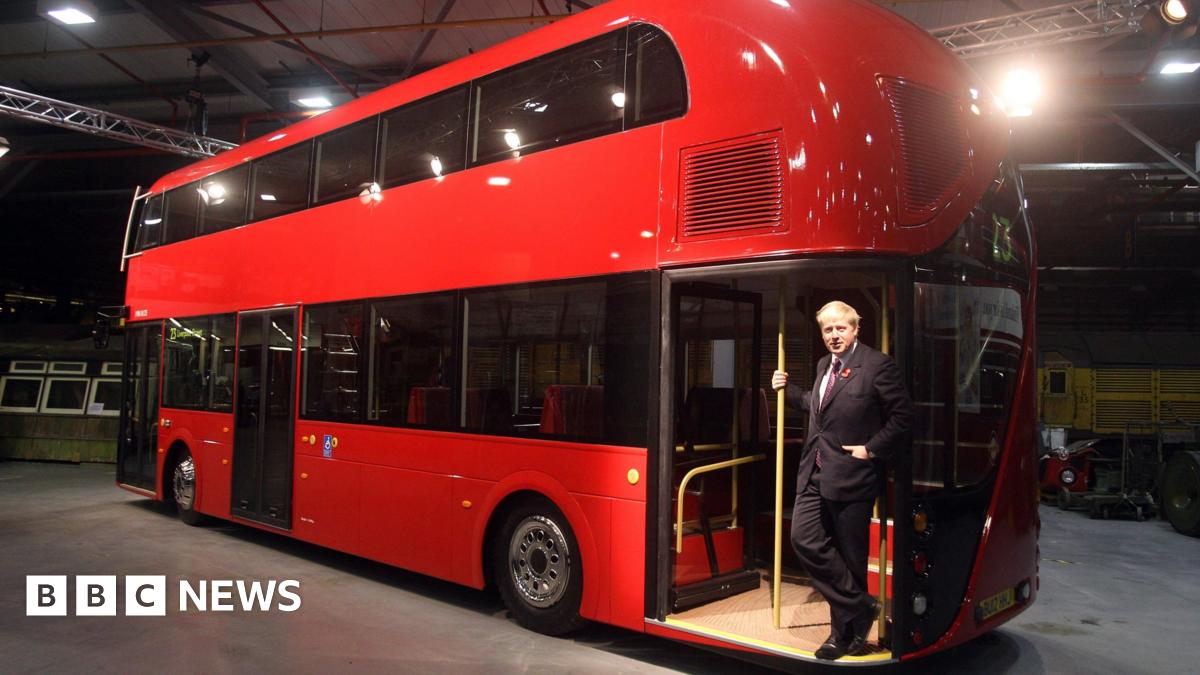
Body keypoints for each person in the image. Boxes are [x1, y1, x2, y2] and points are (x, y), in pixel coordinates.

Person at [772, 300, 911, 660]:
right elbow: (819, 407)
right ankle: (861, 605)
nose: (833, 335)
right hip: (814, 472)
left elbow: (903, 418)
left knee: (851, 559)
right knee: (802, 538)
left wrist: (871, 449)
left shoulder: (877, 365)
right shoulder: (824, 365)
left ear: (855, 329)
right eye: (827, 329)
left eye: (840, 328)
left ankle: (842, 636)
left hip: (853, 476)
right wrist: (787, 390)